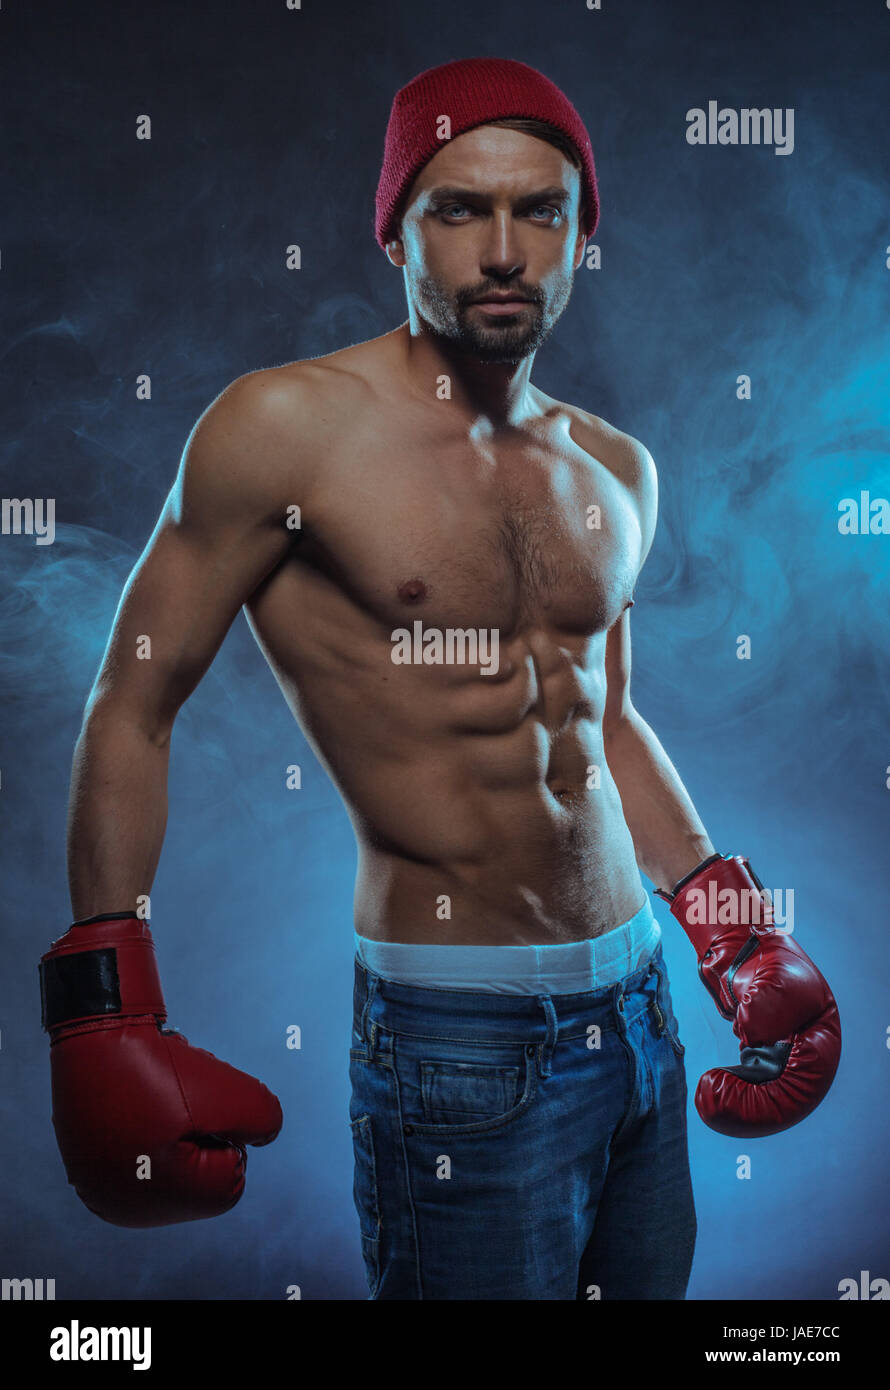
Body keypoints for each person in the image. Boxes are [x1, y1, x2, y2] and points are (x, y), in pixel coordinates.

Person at [38, 57, 840, 1299]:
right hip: (458, 1040)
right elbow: (132, 702)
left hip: (637, 1010)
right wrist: (102, 1009)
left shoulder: (613, 467)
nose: (504, 249)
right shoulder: (279, 431)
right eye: (458, 209)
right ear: (395, 231)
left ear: (584, 237)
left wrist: (729, 936)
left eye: (541, 211)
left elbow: (606, 721)